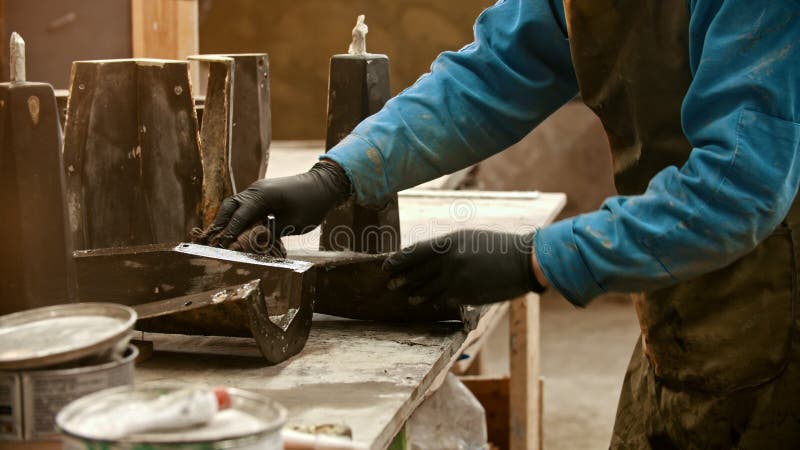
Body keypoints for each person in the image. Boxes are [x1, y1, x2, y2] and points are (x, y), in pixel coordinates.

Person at [209, 0, 800, 447]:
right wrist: (335, 175)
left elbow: (738, 188)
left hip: (776, 294)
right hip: (684, 305)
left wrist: (534, 258)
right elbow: (492, 74)